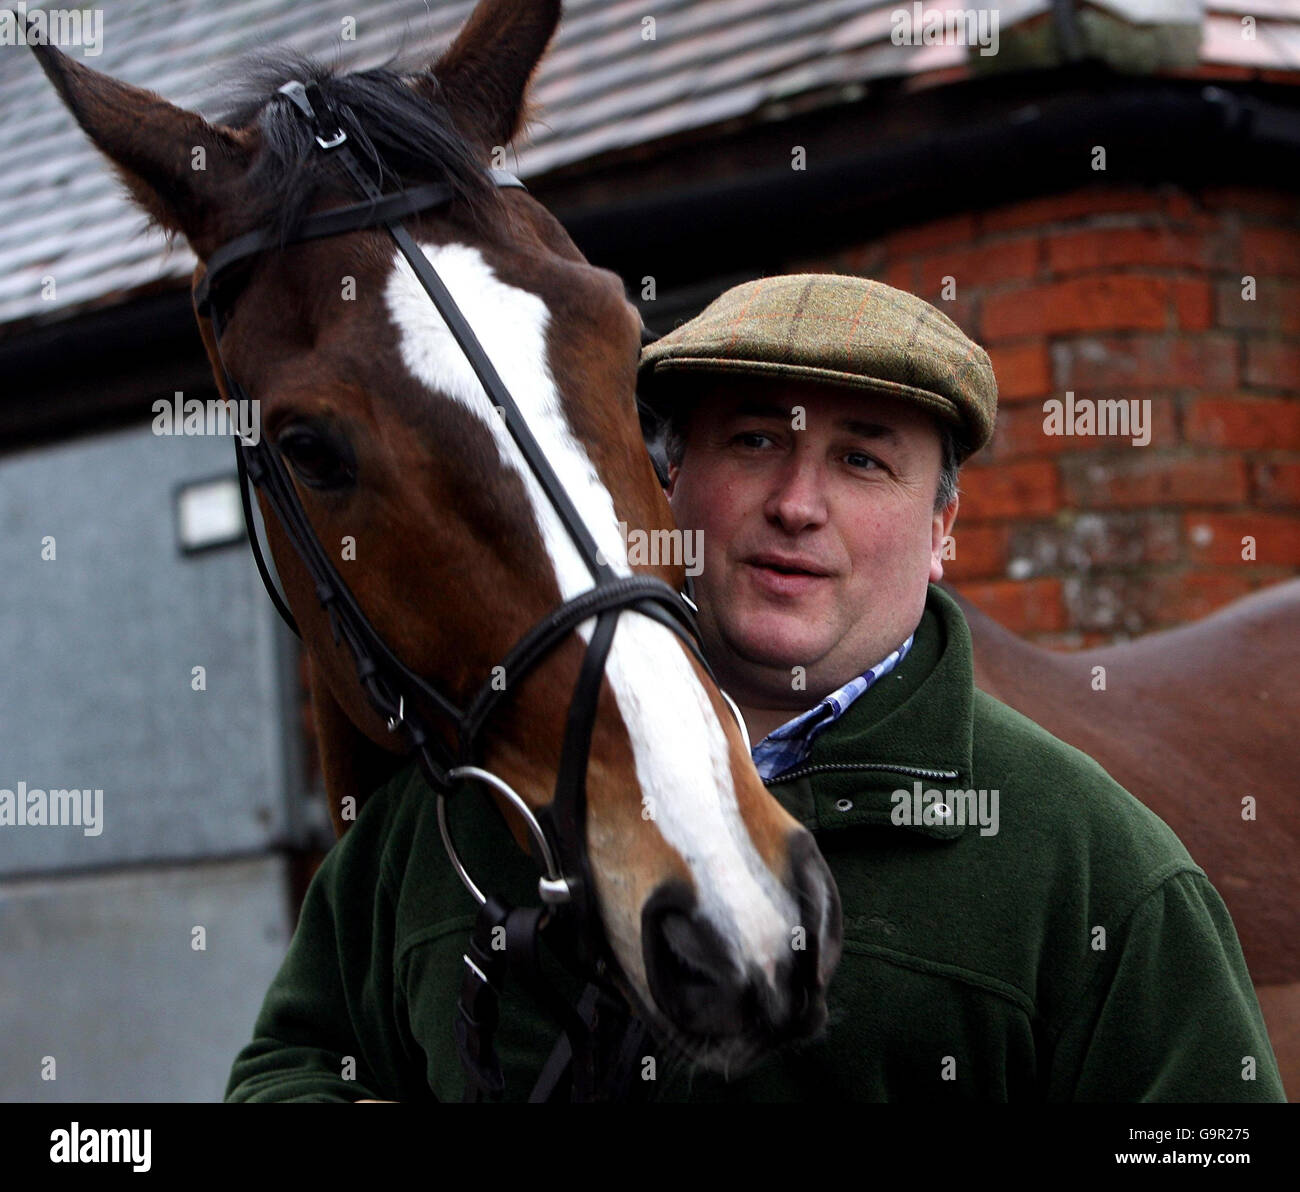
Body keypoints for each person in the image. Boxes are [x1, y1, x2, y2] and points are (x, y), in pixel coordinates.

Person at [225, 274, 1285, 1102]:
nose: (794, 502)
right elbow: (289, 1063)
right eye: (752, 440)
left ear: (943, 532)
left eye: (863, 460)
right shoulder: (451, 811)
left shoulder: (1094, 865)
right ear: (666, 482)